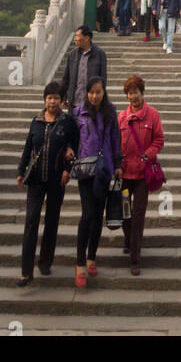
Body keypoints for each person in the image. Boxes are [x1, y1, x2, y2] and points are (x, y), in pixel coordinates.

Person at [16, 81, 79, 286]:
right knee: (31, 222)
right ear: (45, 99)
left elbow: (74, 148)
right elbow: (28, 147)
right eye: (49, 97)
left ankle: (45, 262)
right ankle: (26, 271)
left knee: (52, 221)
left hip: (56, 179)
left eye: (56, 98)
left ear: (62, 101)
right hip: (35, 179)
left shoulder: (67, 123)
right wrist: (20, 171)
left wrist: (67, 170)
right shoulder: (36, 121)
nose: (52, 101)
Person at [72, 78, 122, 287]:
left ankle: (92, 256)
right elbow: (72, 138)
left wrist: (118, 164)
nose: (94, 96)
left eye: (98, 92)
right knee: (87, 214)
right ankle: (79, 263)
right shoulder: (78, 112)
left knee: (99, 214)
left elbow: (115, 139)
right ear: (87, 93)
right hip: (85, 168)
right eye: (91, 92)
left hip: (104, 169)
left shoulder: (110, 112)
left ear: (104, 92)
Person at [118, 76, 164, 276]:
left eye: (136, 92)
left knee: (138, 215)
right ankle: (128, 240)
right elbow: (115, 143)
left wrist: (149, 154)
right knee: (125, 213)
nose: (133, 96)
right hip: (125, 173)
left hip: (143, 175)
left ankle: (135, 258)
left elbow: (159, 139)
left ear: (142, 93)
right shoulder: (121, 117)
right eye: (129, 92)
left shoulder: (152, 115)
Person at [59, 26, 107, 107]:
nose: (75, 38)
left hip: (91, 103)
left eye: (77, 36)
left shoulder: (99, 54)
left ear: (86, 38)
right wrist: (63, 96)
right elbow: (66, 79)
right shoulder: (72, 55)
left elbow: (103, 79)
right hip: (74, 102)